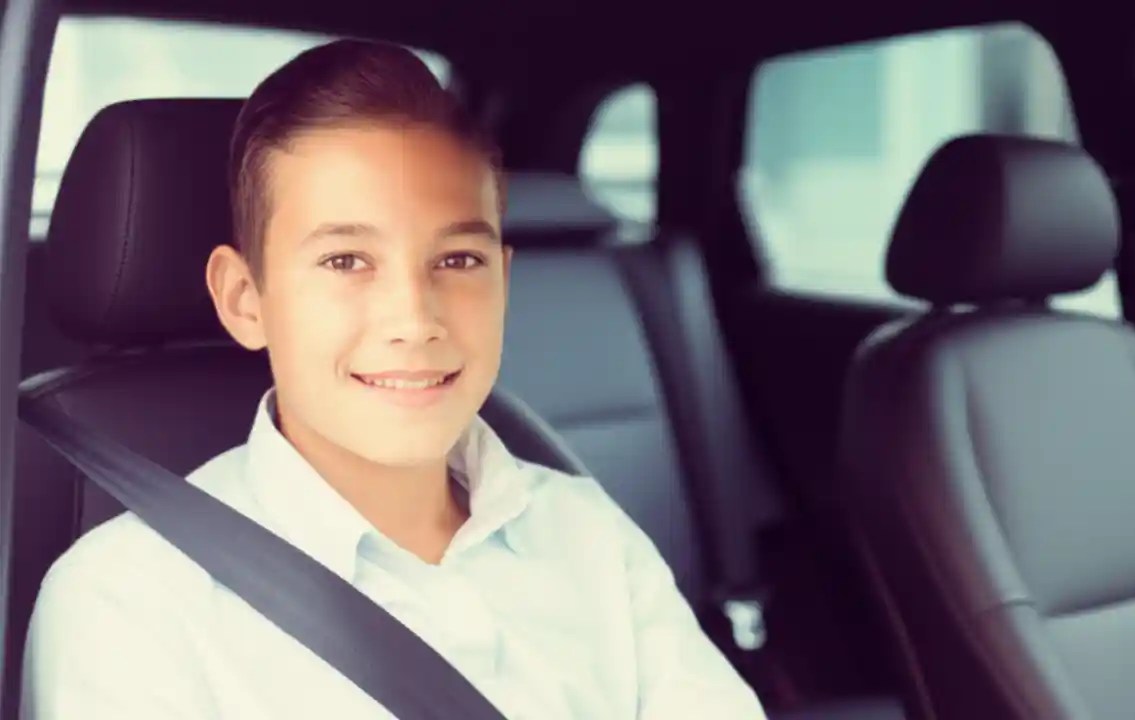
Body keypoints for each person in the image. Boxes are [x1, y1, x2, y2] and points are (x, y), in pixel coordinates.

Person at [21, 39, 766, 720]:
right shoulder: (128, 603)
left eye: (457, 261)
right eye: (346, 261)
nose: (414, 318)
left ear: (503, 283)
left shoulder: (587, 531)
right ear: (246, 299)